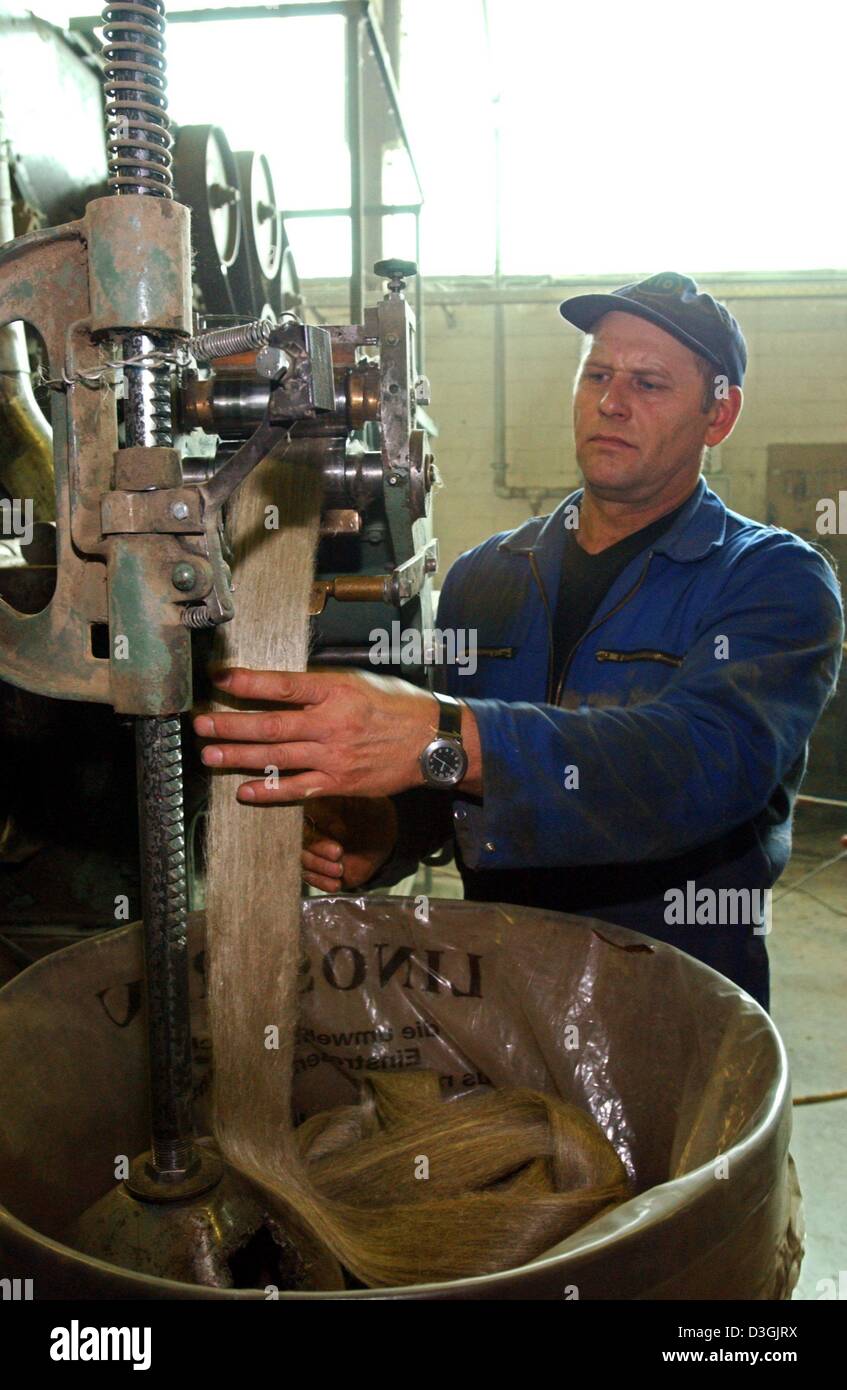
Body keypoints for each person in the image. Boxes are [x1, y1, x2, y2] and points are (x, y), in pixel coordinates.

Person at [193, 272, 844, 1009]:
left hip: (671, 997)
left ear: (718, 414)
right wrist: (385, 836)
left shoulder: (771, 581)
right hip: (497, 988)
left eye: (649, 383)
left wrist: (446, 733)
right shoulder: (489, 575)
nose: (610, 401)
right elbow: (448, 786)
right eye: (595, 372)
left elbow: (702, 766)